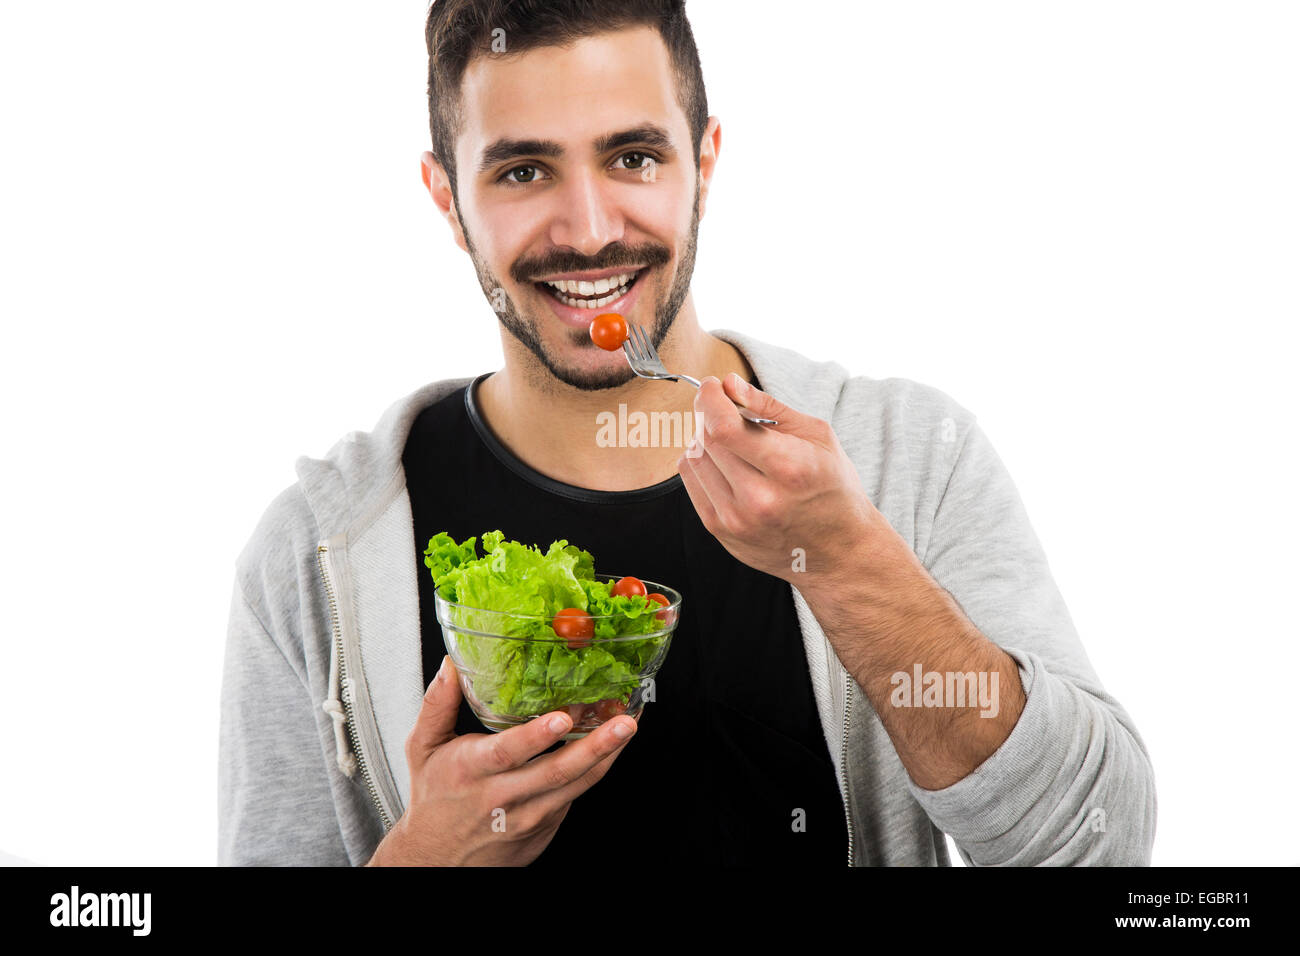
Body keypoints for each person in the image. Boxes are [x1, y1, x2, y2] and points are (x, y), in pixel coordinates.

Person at [219, 0, 1156, 867]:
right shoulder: (317, 552)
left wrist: (849, 562)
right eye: (523, 170)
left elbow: (1096, 846)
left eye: (633, 158)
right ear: (446, 200)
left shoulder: (909, 457)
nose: (588, 232)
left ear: (703, 165)